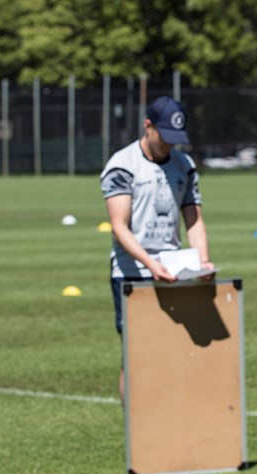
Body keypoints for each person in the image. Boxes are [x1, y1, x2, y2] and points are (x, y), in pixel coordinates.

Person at [100, 96, 215, 400]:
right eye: (164, 137)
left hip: (175, 271)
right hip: (132, 273)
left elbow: (193, 220)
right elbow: (119, 227)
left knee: (173, 352)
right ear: (147, 126)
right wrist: (151, 266)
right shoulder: (122, 165)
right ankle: (136, 430)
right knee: (136, 356)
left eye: (175, 139)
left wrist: (203, 262)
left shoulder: (184, 165)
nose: (169, 145)